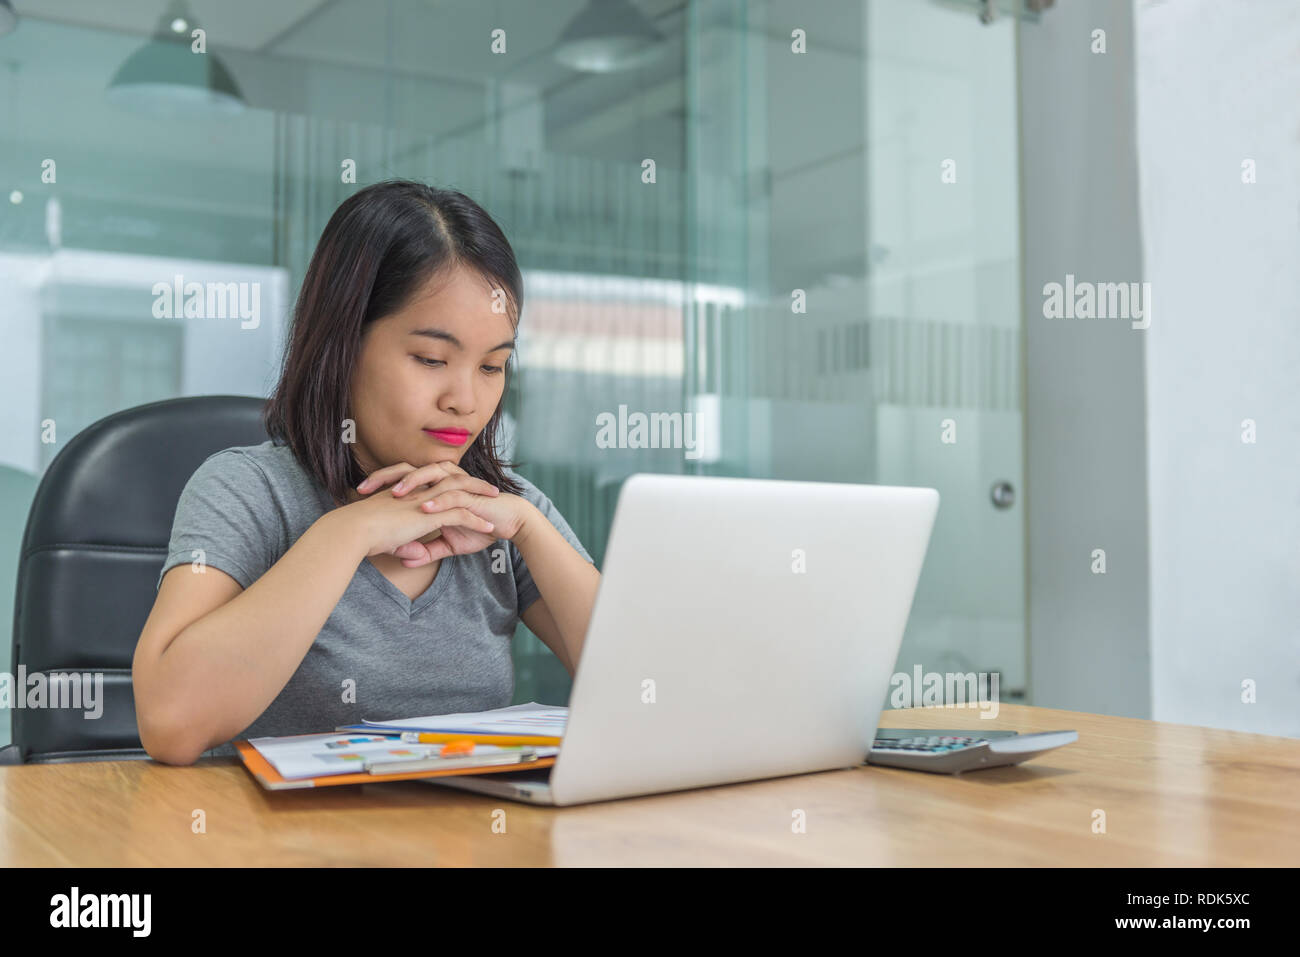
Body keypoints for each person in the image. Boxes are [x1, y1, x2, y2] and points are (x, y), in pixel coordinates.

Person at [132, 180, 600, 765]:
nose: (466, 399)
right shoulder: (247, 491)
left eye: (492, 366)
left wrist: (531, 529)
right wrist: (349, 532)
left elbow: (652, 694)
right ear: (342, 344)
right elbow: (171, 724)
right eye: (431, 359)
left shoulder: (505, 510)